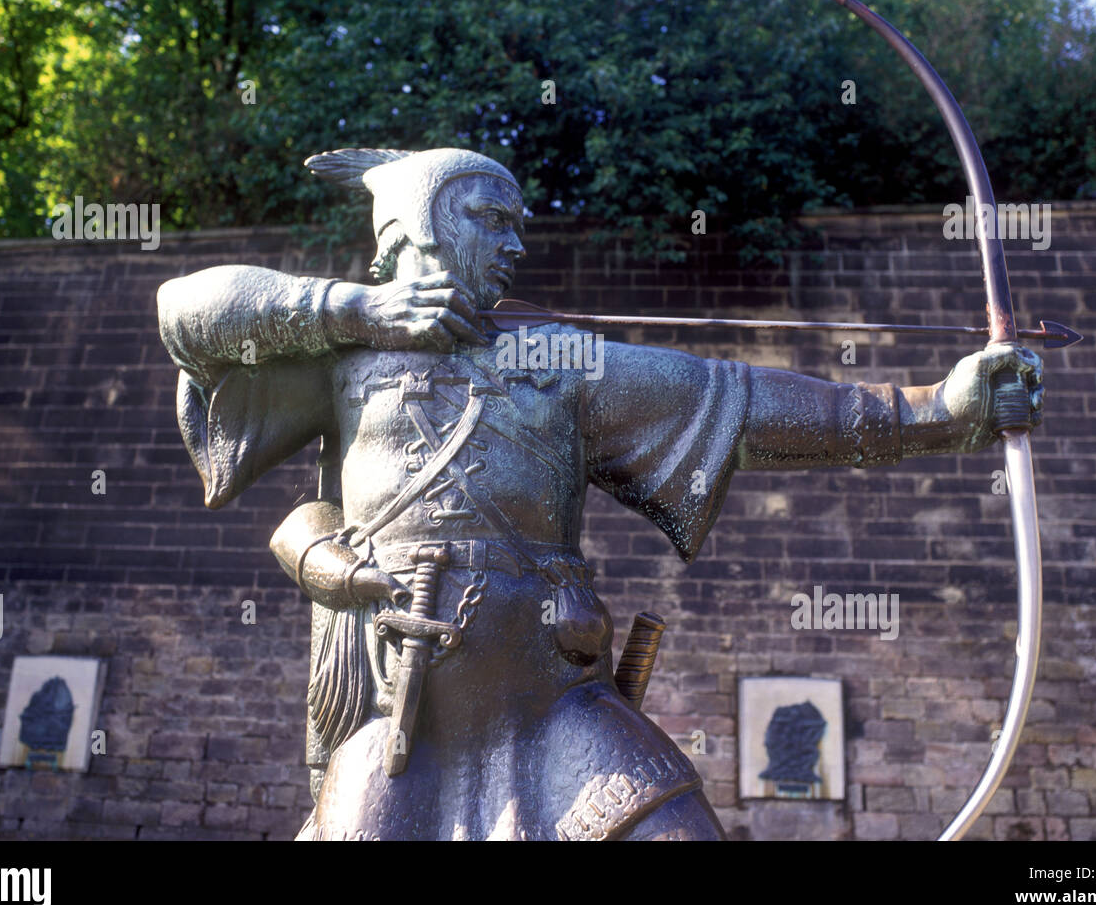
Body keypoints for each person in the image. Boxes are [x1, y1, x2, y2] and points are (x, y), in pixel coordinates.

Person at [156, 147, 1043, 840]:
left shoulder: (556, 364)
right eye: (488, 219)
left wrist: (941, 408)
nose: (513, 244)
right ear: (419, 226)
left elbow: (738, 404)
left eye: (517, 226)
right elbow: (186, 310)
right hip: (406, 710)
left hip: (553, 695)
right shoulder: (341, 356)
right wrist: (357, 311)